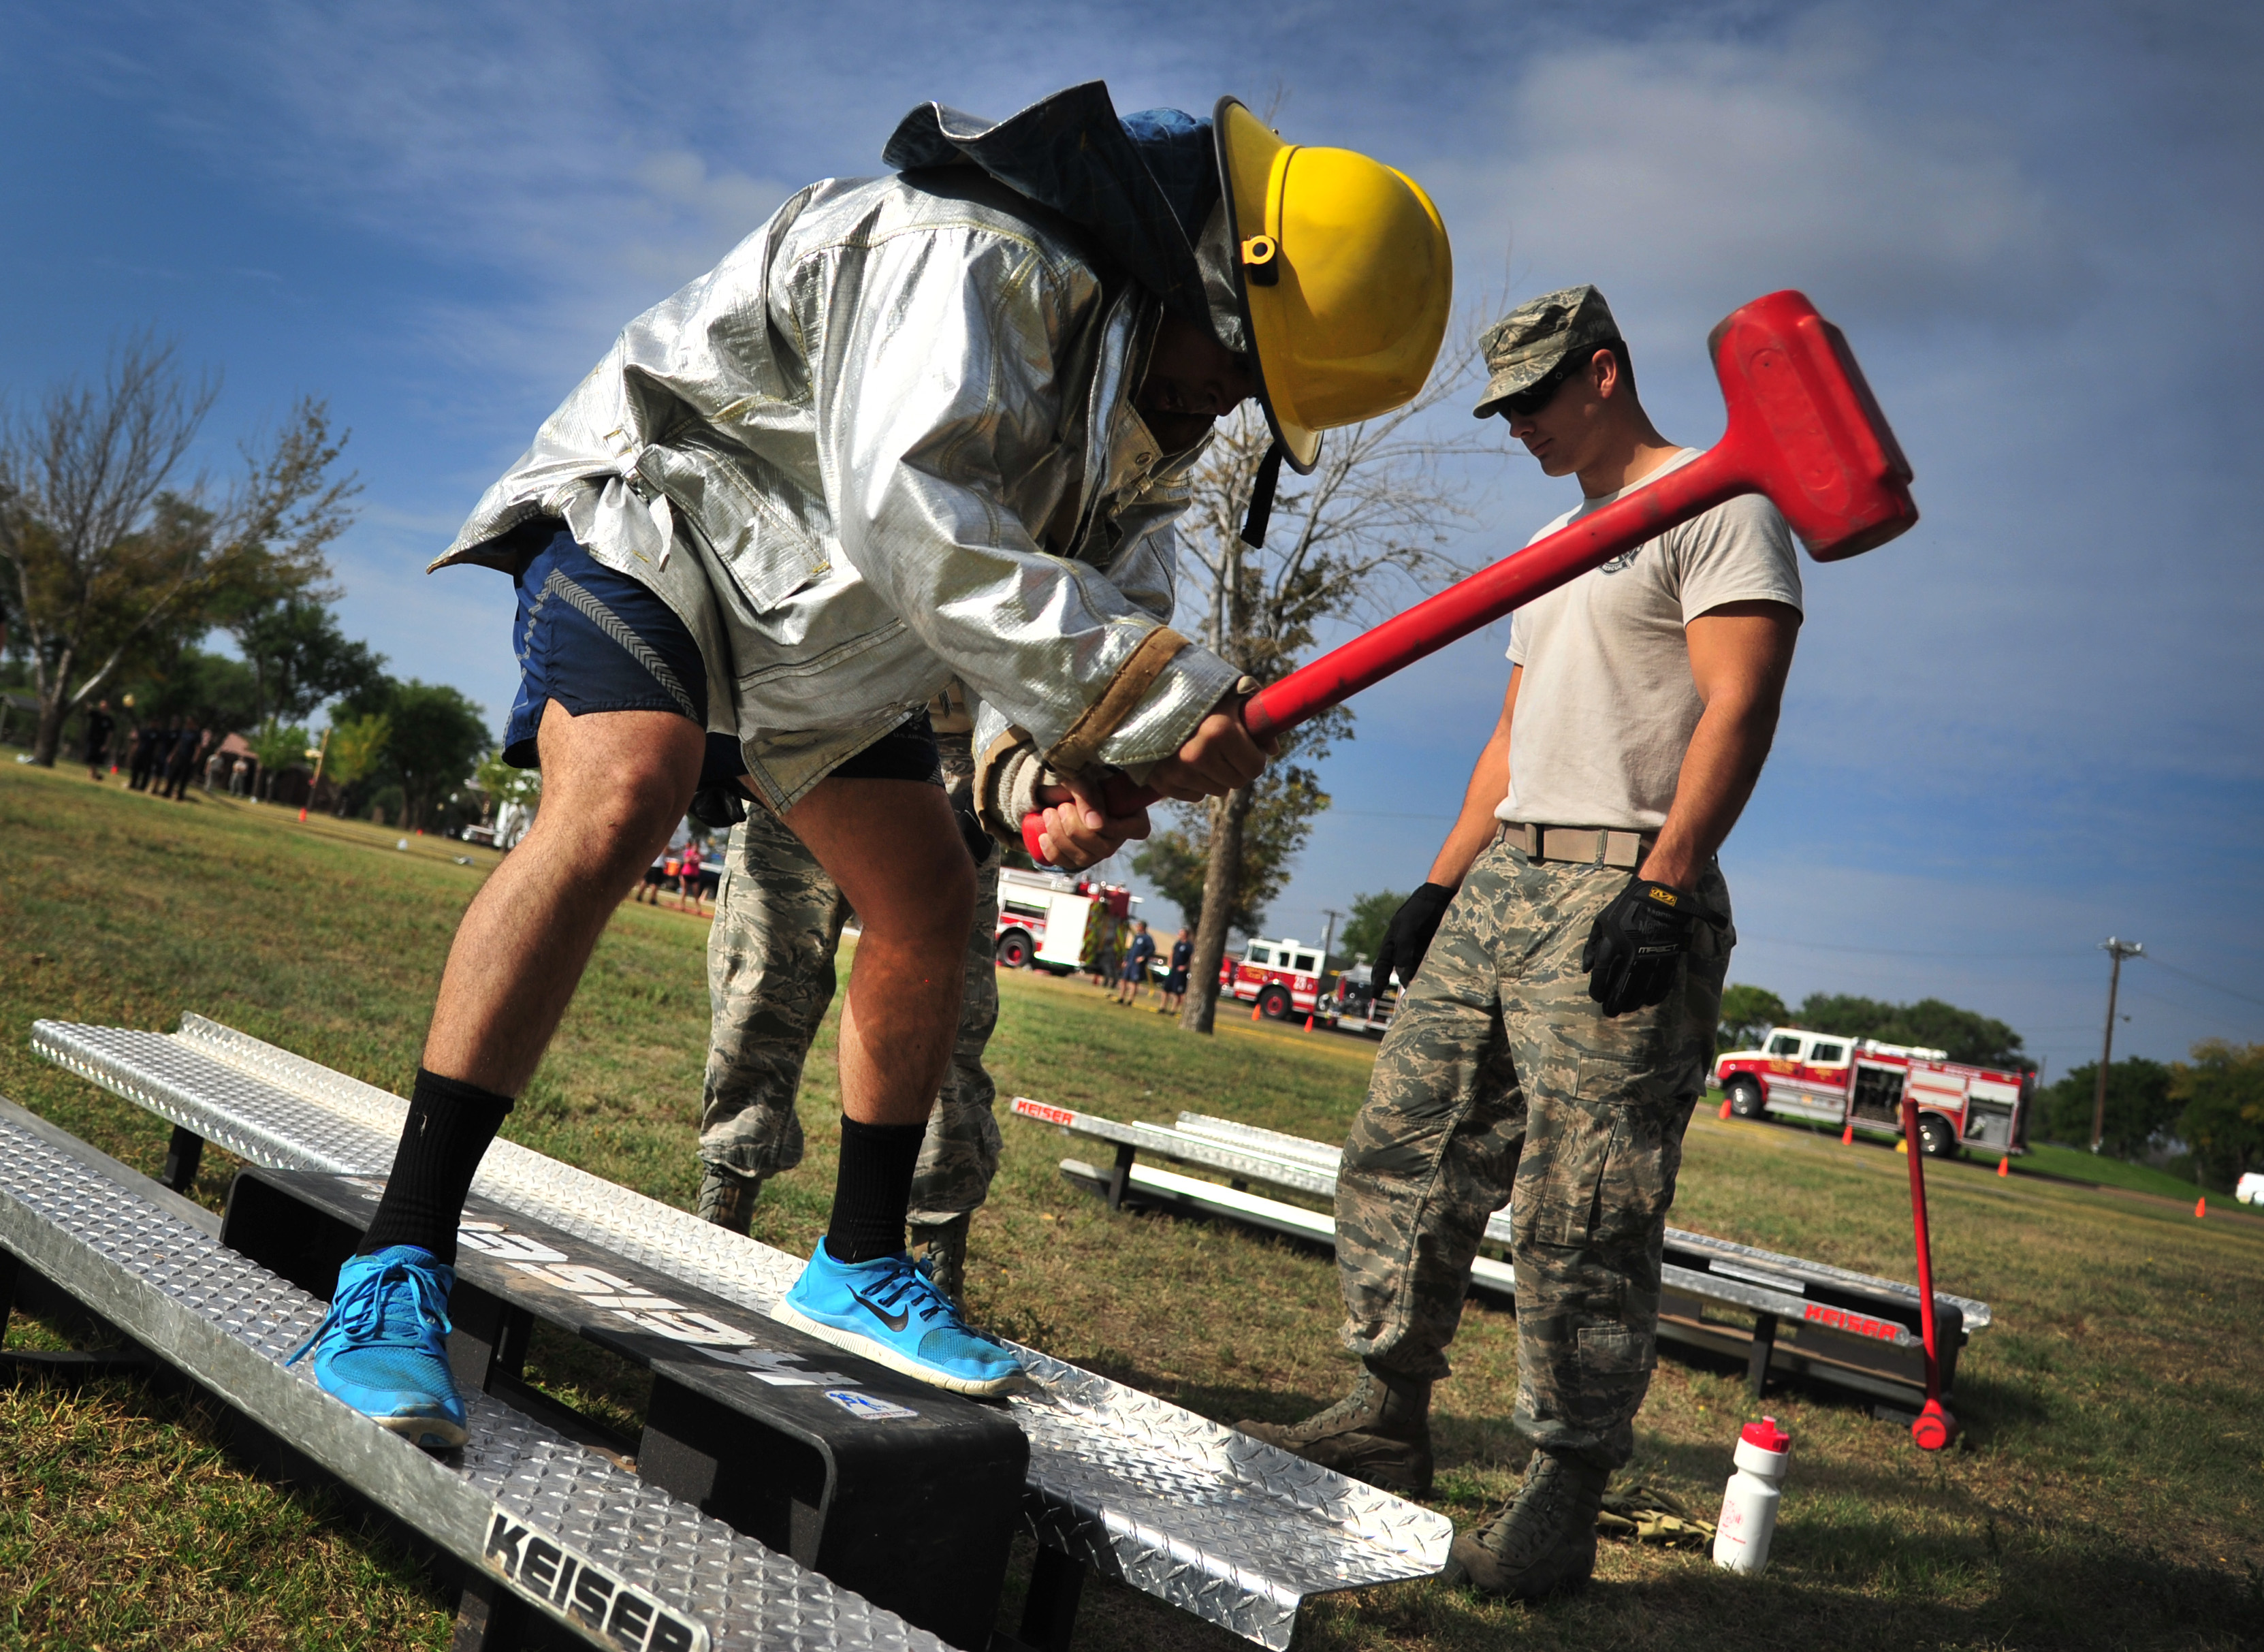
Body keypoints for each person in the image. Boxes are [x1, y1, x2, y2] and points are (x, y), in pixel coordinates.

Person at [287, 82, 1449, 1450]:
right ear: (1212, 272)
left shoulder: (1153, 424)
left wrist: (1059, 777)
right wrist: (1152, 697)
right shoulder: (978, 255)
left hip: (828, 645)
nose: (1233, 400)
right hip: (668, 518)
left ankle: (855, 1259)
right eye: (1244, 360)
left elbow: (1077, 636)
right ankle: (396, 1262)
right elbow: (907, 507)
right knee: (625, 792)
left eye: (1262, 394)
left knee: (930, 897)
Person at [1239, 287, 1802, 1602]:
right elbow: (1508, 733)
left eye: (1536, 400)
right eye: (1505, 410)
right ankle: (1387, 1413)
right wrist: (1438, 887)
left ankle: (1561, 1496)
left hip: (1622, 880)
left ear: (1603, 372)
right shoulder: (1552, 539)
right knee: (1404, 1148)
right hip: (1507, 876)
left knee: (1582, 1208)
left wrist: (1663, 889)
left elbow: (1740, 703)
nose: (1519, 428)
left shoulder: (1721, 506)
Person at [695, 685, 1004, 1303]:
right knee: (757, 995)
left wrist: (992, 778)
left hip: (951, 758)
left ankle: (937, 1253)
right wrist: (713, 727)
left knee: (943, 1019)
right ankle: (721, 1209)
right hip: (799, 734)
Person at [1158, 923, 1196, 1015]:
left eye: (1181, 933)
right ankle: (1162, 1007)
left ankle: (1173, 1010)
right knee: (1166, 989)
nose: (1179, 934)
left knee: (1177, 992)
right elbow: (1172, 953)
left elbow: (1192, 958)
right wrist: (1169, 963)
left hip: (1181, 972)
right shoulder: (1177, 944)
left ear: (1185, 935)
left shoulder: (1189, 946)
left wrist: (1185, 967)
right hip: (1173, 970)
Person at [1118, 919, 1157, 1006]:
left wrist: (1143, 957)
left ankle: (1130, 1000)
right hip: (1130, 962)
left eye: (1138, 926)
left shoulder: (1147, 938)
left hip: (1137, 965)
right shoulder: (1137, 937)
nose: (1137, 927)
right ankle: (1121, 998)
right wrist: (1126, 960)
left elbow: (1152, 949)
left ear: (1142, 927)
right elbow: (1132, 949)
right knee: (1124, 980)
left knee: (1134, 982)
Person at [82, 700, 114, 782]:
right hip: (92, 740)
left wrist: (106, 745)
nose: (103, 708)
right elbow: (88, 710)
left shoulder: (109, 720)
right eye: (102, 706)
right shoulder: (96, 714)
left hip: (101, 742)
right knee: (91, 758)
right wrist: (86, 702)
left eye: (105, 707)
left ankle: (93, 775)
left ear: (108, 708)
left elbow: (110, 734)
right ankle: (95, 775)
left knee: (96, 760)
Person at [677, 839, 705, 913]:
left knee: (696, 892)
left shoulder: (699, 855)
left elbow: (701, 860)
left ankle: (698, 908)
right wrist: (691, 855)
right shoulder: (688, 853)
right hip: (686, 874)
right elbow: (686, 861)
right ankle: (682, 905)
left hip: (695, 875)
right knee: (684, 890)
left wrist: (698, 856)